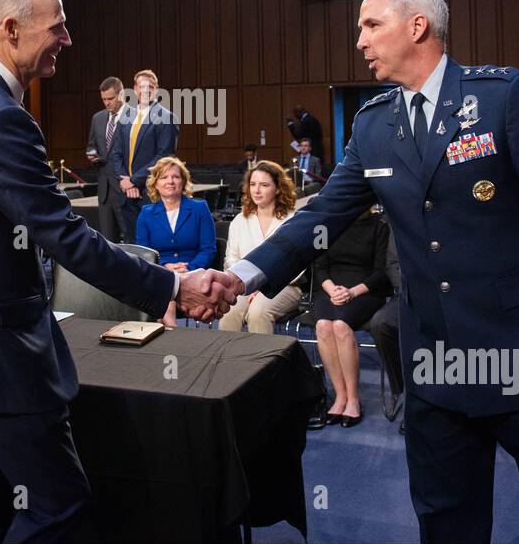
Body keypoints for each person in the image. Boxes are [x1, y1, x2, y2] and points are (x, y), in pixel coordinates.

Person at [220, 0, 519, 544]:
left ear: (418, 26)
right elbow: (321, 217)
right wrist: (240, 275)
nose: (359, 41)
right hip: (434, 365)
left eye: (370, 25)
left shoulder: (504, 98)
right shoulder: (372, 122)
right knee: (444, 520)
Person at [0, 0, 231, 544]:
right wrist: (173, 290)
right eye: (57, 27)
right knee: (57, 505)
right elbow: (66, 236)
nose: (68, 39)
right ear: (11, 29)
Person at [314, 207, 392, 428]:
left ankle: (353, 400)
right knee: (322, 326)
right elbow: (318, 267)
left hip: (365, 291)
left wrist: (352, 292)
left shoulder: (380, 226)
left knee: (339, 326)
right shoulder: (324, 225)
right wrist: (332, 290)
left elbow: (381, 272)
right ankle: (340, 397)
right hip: (330, 289)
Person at [221, 160, 302, 334]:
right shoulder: (240, 221)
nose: (256, 190)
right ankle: (228, 360)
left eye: (264, 185)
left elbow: (299, 264)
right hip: (244, 285)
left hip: (285, 286)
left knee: (258, 313)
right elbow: (231, 260)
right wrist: (249, 284)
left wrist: (263, 284)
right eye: (253, 184)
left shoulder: (293, 220)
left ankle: (262, 361)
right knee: (228, 310)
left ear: (278, 188)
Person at [135, 156, 216, 328]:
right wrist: (165, 267)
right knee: (165, 285)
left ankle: (168, 334)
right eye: (164, 177)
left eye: (175, 177)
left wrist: (189, 269)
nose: (170, 181)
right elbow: (144, 253)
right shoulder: (146, 214)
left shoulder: (200, 208)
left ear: (183, 181)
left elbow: (208, 249)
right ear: (156, 183)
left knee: (163, 292)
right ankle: (173, 330)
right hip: (160, 272)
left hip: (194, 273)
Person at [108, 68, 178, 242]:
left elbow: (163, 157)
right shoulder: (126, 116)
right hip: (126, 193)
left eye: (151, 86)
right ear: (135, 89)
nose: (146, 90)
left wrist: (134, 180)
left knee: (153, 243)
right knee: (132, 244)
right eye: (142, 86)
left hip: (150, 191)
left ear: (157, 89)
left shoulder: (166, 117)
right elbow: (116, 153)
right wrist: (125, 181)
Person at [367, 229, 406, 423]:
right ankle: (402, 390)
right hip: (407, 294)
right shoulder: (400, 222)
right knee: (381, 323)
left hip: (444, 295)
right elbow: (392, 264)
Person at [85, 76, 127, 242]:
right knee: (109, 241)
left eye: (111, 98)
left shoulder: (134, 116)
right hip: (104, 190)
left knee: (132, 239)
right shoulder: (98, 118)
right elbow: (91, 144)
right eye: (104, 99)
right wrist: (92, 153)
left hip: (125, 189)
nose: (107, 103)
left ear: (121, 94)